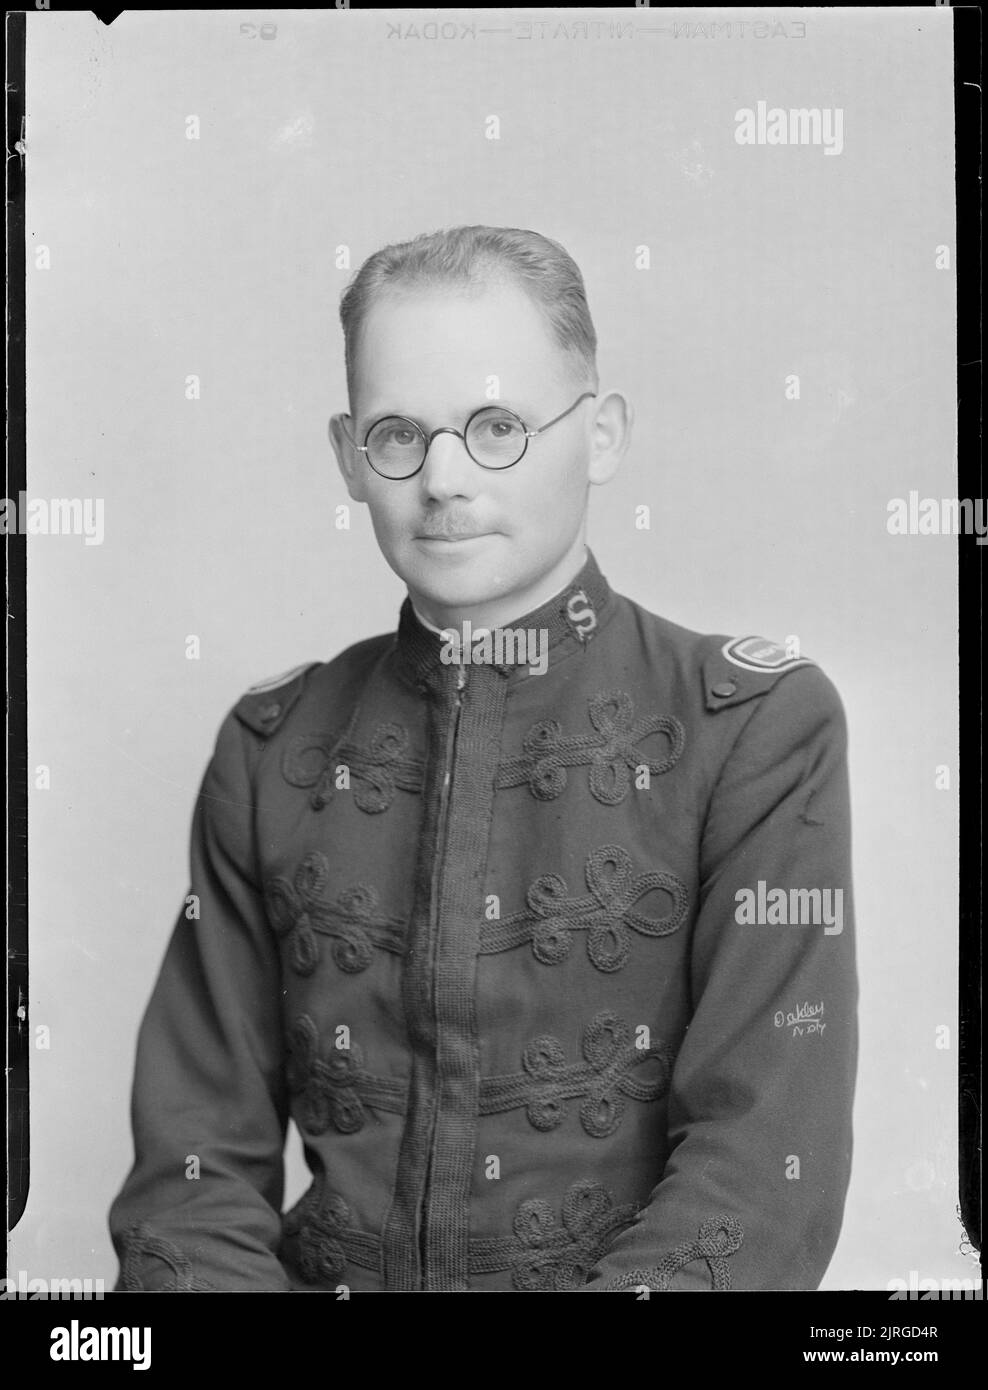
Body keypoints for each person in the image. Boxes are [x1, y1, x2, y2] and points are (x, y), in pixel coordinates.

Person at [109, 225, 857, 1292]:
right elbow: (192, 1178)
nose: (444, 479)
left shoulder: (752, 730)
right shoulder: (272, 750)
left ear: (600, 435)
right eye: (398, 434)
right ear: (346, 455)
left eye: (496, 424)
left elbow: (763, 1171)